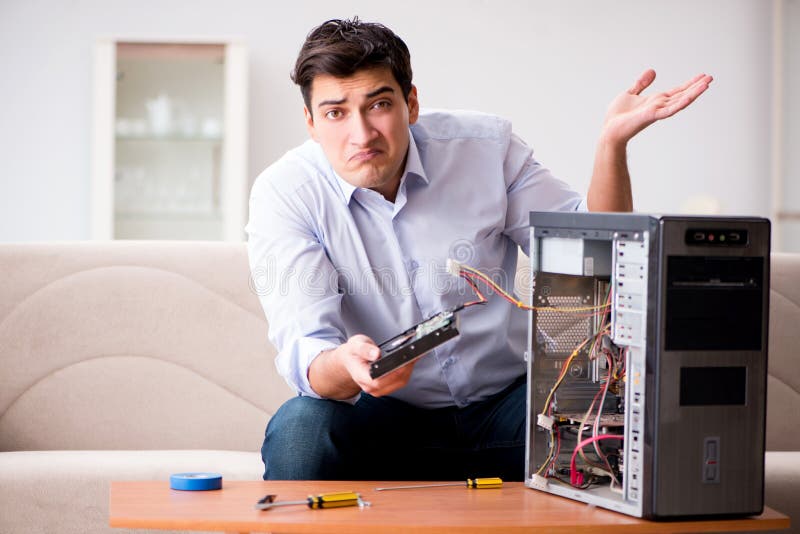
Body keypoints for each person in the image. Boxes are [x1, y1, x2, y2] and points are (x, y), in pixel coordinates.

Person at [246, 17, 711, 481]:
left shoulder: (486, 149)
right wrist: (350, 368)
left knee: (628, 412)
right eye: (335, 113)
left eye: (379, 104)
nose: (362, 134)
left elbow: (596, 256)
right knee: (300, 428)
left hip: (513, 414)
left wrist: (612, 145)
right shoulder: (286, 194)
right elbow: (308, 352)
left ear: (411, 103)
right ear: (310, 122)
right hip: (385, 420)